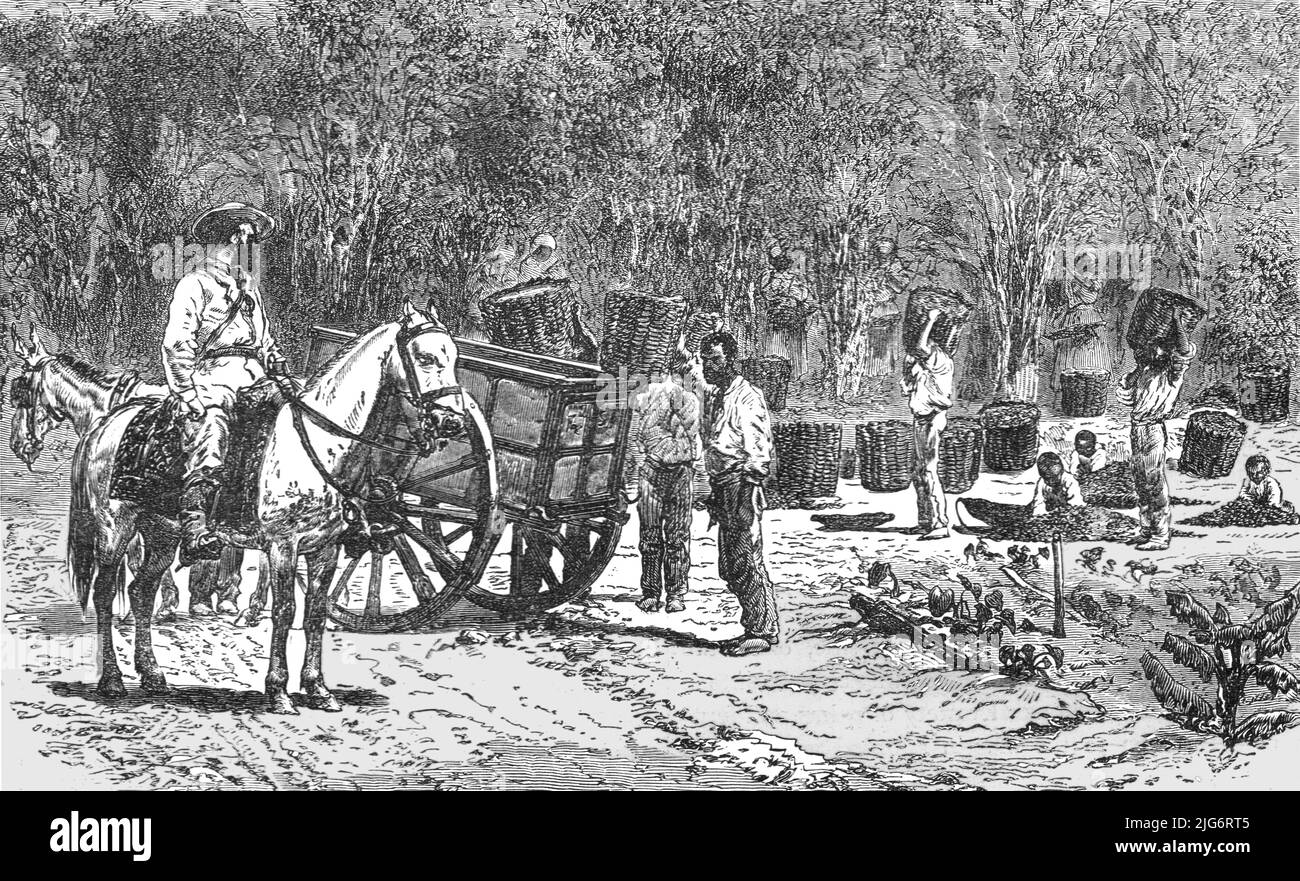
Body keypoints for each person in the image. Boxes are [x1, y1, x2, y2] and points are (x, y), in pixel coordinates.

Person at [163, 202, 288, 566]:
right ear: (226, 242)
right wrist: (186, 392)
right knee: (212, 426)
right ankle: (194, 523)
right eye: (242, 240)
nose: (247, 250)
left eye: (249, 243)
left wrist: (277, 362)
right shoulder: (195, 283)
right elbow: (177, 343)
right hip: (214, 377)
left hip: (255, 378)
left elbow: (264, 339)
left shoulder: (249, 289)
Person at [699, 330, 779, 656]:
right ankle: (756, 625)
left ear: (730, 360)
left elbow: (758, 450)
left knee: (746, 558)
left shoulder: (746, 397)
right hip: (724, 485)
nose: (708, 367)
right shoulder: (719, 395)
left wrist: (748, 491)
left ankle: (761, 631)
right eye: (704, 361)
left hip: (741, 485)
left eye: (714, 360)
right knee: (731, 564)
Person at [1117, 298, 1198, 551]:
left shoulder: (1172, 373)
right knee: (1141, 482)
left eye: (1160, 349)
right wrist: (1137, 369)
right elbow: (1126, 396)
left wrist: (1175, 320)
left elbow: (1184, 350)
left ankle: (1160, 535)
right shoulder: (1145, 372)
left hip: (1153, 429)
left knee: (1154, 482)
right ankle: (1146, 528)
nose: (1154, 352)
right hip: (1138, 429)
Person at [627, 350, 704, 614]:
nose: (696, 372)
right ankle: (674, 595)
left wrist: (641, 463)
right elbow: (695, 439)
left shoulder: (646, 396)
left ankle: (652, 594)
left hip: (657, 470)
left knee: (651, 536)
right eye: (693, 368)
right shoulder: (687, 398)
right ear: (682, 369)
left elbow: (634, 437)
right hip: (676, 471)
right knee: (677, 537)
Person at [900, 307, 954, 540]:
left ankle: (940, 524)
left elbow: (921, 347)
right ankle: (926, 521)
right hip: (921, 419)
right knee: (919, 471)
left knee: (929, 470)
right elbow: (909, 387)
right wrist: (909, 376)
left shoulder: (940, 357)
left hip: (933, 418)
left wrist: (930, 319)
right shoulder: (923, 362)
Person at [762, 249, 813, 378]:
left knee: (781, 344)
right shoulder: (793, 279)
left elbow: (766, 294)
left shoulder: (772, 278)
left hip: (782, 314)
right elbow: (803, 296)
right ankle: (792, 373)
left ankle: (784, 373)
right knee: (787, 345)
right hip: (785, 314)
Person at [464, 245, 517, 340]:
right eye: (495, 262)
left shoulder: (510, 273)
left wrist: (494, 285)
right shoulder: (484, 269)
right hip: (480, 304)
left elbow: (510, 287)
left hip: (496, 306)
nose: (497, 266)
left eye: (500, 264)